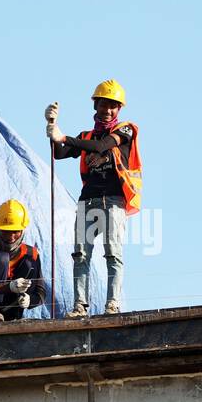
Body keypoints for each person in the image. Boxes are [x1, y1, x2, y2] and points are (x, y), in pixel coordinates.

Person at [47, 79, 142, 315]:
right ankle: (80, 306)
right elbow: (59, 154)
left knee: (113, 252)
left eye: (113, 106)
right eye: (103, 105)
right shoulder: (86, 135)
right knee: (80, 254)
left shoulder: (126, 130)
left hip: (113, 201)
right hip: (88, 200)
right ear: (95, 106)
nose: (108, 110)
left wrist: (64, 137)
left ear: (119, 109)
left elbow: (102, 147)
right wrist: (52, 127)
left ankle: (113, 303)